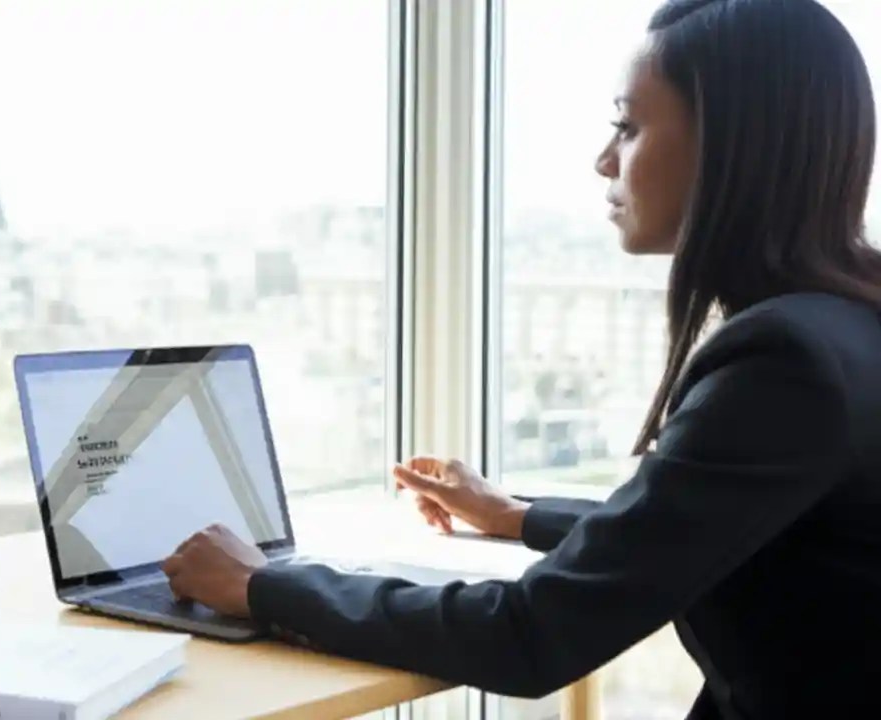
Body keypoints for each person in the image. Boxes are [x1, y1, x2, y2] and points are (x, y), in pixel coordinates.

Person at [159, 0, 881, 717]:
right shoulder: (849, 324)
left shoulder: (782, 365)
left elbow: (531, 634)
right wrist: (515, 516)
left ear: (732, 146)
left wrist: (263, 585)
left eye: (627, 126)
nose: (604, 159)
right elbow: (692, 526)